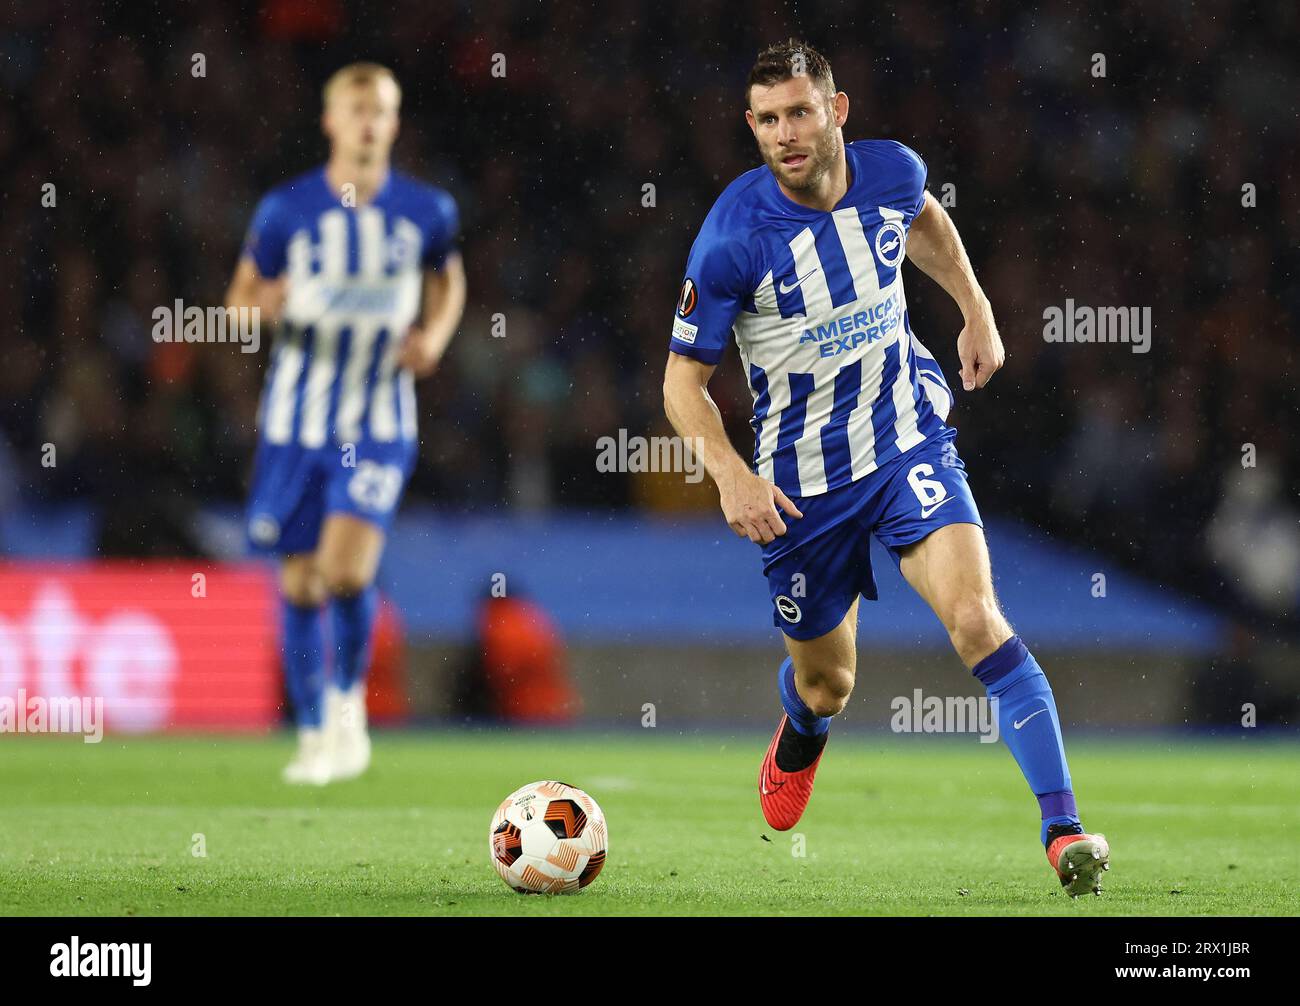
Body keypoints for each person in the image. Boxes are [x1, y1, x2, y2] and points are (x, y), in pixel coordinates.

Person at [661, 40, 1108, 896]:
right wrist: (728, 472)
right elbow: (682, 383)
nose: (786, 134)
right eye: (767, 120)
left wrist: (974, 307)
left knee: (977, 618)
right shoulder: (729, 239)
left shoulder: (894, 174)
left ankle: (1065, 832)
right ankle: (801, 727)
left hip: (908, 442)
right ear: (750, 127)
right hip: (801, 487)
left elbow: (926, 222)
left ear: (836, 110)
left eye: (799, 112)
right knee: (831, 683)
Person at [225, 63, 466, 784]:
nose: (369, 122)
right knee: (298, 585)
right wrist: (261, 306)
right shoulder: (285, 210)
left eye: (382, 111)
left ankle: (348, 704)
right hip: (294, 426)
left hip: (380, 420)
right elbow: (236, 300)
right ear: (331, 121)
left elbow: (449, 279)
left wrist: (435, 336)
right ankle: (312, 733)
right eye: (357, 109)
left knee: (344, 570)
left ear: (394, 124)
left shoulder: (427, 209)